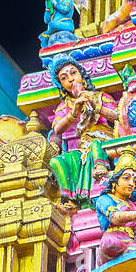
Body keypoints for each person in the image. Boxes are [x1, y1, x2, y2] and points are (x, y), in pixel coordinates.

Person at [48, 56, 118, 205]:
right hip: (83, 148)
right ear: (61, 85)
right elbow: (57, 128)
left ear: (81, 75)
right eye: (64, 78)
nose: (71, 79)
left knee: (96, 145)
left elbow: (117, 116)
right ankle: (70, 200)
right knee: (56, 161)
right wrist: (73, 113)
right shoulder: (65, 106)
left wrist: (96, 106)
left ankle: (101, 170)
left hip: (104, 139)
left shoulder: (101, 96)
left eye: (73, 73)